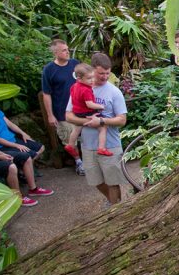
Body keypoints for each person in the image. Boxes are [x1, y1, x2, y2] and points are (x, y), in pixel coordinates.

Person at [65, 53, 131, 205]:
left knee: (113, 181)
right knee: (95, 181)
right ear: (92, 70)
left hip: (110, 144)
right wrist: (88, 122)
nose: (105, 77)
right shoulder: (78, 88)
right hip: (88, 145)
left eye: (108, 73)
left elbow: (122, 119)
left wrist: (101, 121)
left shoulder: (114, 92)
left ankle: (115, 209)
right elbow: (68, 116)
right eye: (101, 73)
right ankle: (112, 202)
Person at [41, 38, 84, 175]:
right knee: (69, 139)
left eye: (67, 49)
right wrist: (50, 115)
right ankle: (79, 162)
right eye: (64, 50)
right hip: (62, 112)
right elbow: (46, 94)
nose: (67, 52)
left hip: (81, 109)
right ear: (56, 52)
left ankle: (90, 161)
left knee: (87, 136)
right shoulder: (49, 70)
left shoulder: (75, 64)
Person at [63, 63, 112, 157]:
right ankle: (101, 148)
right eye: (89, 78)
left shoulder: (74, 86)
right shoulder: (86, 89)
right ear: (79, 78)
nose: (92, 80)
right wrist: (100, 106)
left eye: (92, 77)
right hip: (87, 112)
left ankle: (70, 145)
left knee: (76, 129)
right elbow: (89, 104)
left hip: (77, 112)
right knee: (103, 127)